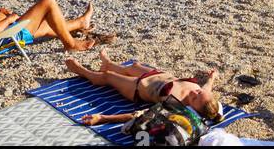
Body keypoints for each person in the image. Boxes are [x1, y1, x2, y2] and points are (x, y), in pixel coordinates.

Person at [68, 50, 221, 124]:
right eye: (198, 91)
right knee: (133, 66)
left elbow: (141, 115)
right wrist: (211, 77)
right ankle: (107, 63)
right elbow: (207, 87)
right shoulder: (203, 95)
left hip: (137, 88)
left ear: (194, 108)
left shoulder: (176, 105)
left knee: (108, 76)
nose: (195, 91)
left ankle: (82, 71)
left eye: (195, 96)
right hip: (157, 76)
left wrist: (102, 118)